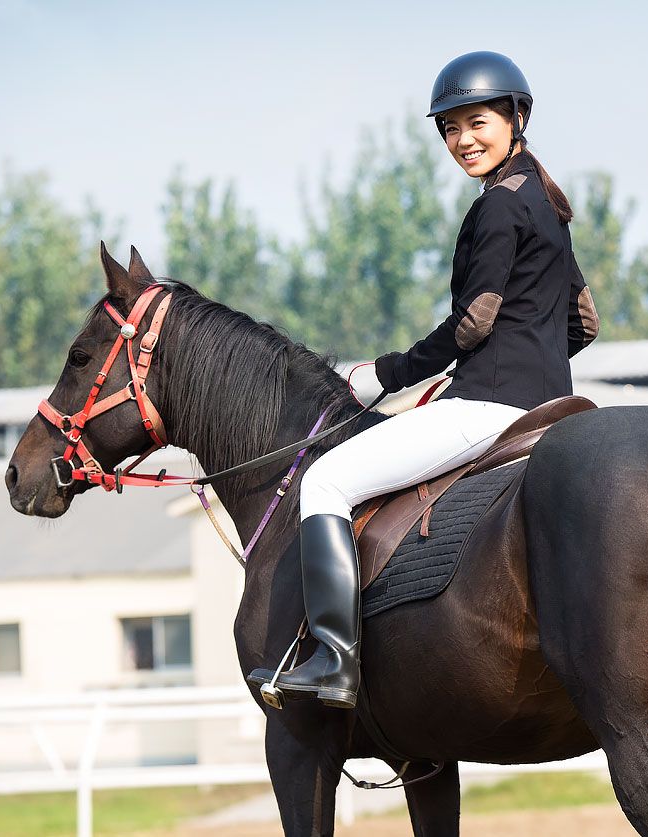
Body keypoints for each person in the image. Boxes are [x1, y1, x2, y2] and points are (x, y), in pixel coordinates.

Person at [247, 50, 600, 710]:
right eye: (449, 129)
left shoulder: (496, 207)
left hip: (491, 407)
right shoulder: (548, 207)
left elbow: (473, 324)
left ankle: (333, 663)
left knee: (322, 481)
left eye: (476, 122)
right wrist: (531, 352)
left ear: (515, 117)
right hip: (554, 405)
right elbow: (583, 322)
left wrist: (386, 374)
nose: (463, 140)